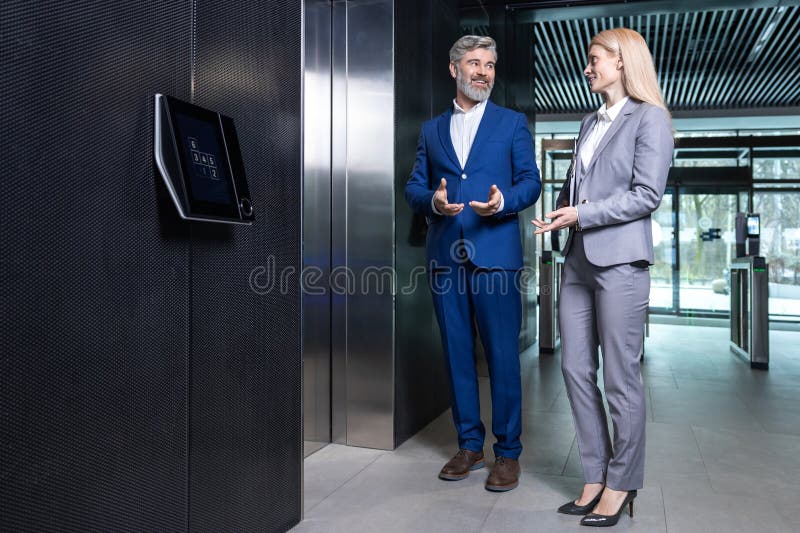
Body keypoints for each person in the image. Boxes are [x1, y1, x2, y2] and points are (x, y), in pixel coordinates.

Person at [532, 28, 673, 526]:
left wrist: (583, 214)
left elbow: (646, 195)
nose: (587, 67)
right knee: (574, 368)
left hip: (621, 263)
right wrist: (561, 216)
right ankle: (594, 473)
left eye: (594, 59)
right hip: (577, 261)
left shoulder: (650, 119)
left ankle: (622, 482)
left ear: (622, 62)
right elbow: (582, 189)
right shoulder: (588, 122)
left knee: (620, 377)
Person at [405, 35, 540, 492]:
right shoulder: (431, 130)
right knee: (457, 355)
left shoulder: (511, 123)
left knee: (502, 357)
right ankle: (468, 445)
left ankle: (508, 453)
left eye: (489, 65)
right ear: (454, 69)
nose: (483, 71)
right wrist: (433, 203)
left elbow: (531, 182)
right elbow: (414, 188)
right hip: (446, 259)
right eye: (474, 63)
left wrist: (504, 201)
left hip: (496, 258)